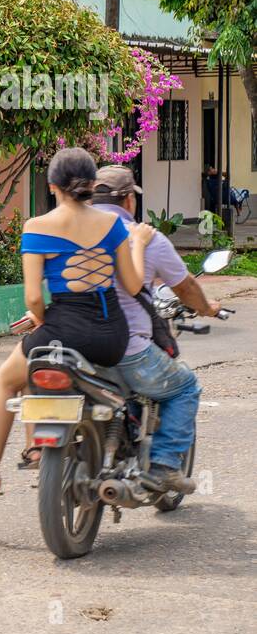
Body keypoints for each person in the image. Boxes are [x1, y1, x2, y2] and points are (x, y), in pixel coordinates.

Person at [0, 148, 153, 500]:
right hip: (110, 333)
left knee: (7, 380)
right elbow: (132, 285)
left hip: (63, 330)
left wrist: (40, 320)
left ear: (52, 185)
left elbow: (34, 299)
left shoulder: (37, 227)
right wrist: (138, 245)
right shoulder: (112, 225)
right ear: (92, 185)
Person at [92, 165, 220, 494]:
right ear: (128, 202)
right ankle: (163, 466)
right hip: (126, 347)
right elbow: (186, 286)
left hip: (73, 343)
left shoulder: (71, 230)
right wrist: (207, 308)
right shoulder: (145, 237)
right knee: (185, 386)